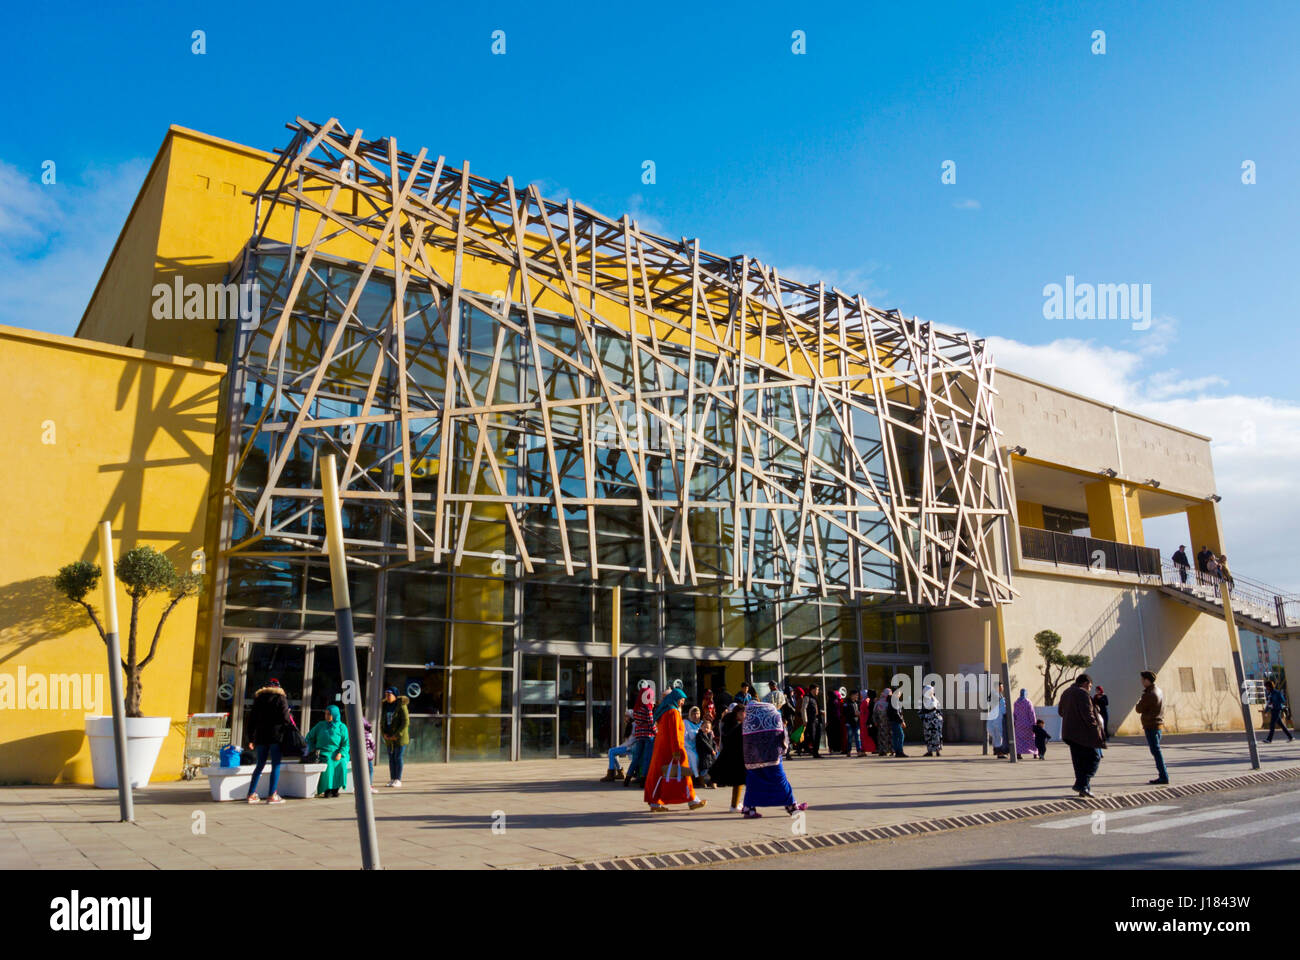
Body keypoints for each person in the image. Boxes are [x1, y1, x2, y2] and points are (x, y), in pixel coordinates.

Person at [740, 690, 808, 818]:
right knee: (780, 780)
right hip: (771, 755)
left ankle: (749, 809)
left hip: (752, 755)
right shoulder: (774, 713)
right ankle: (792, 806)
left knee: (753, 782)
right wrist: (785, 748)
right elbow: (781, 735)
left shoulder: (750, 714)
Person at [644, 688, 707, 812]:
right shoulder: (673, 712)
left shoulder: (664, 711)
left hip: (662, 749)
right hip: (672, 750)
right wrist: (677, 751)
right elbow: (675, 733)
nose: (682, 702)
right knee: (683, 774)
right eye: (681, 700)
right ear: (675, 699)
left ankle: (655, 803)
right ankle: (692, 800)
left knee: (660, 775)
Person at [246, 677, 295, 804]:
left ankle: (251, 794)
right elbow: (285, 718)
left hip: (261, 737)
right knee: (275, 765)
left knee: (260, 765)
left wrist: (251, 738)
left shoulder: (258, 699)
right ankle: (272, 795)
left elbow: (252, 720)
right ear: (278, 687)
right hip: (276, 737)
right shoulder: (280, 698)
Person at [1059, 673, 1106, 798]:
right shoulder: (1082, 693)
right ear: (1085, 684)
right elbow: (1088, 715)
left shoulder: (1066, 692)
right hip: (1084, 734)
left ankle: (1083, 789)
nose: (1090, 689)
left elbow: (1060, 711)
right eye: (1090, 686)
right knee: (1094, 758)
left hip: (1070, 733)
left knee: (1079, 763)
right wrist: (1096, 731)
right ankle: (1082, 784)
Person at [305, 704, 350, 797]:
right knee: (328, 763)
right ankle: (327, 789)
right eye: (326, 714)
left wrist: (340, 753)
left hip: (337, 753)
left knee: (341, 763)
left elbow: (346, 743)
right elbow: (309, 738)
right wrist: (313, 749)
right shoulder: (320, 725)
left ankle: (335, 789)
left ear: (335, 715)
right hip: (323, 752)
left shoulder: (342, 727)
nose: (327, 716)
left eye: (329, 714)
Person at [711, 702, 748, 811]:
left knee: (739, 782)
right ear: (737, 713)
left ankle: (735, 804)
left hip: (732, 755)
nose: (744, 715)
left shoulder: (729, 722)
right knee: (740, 781)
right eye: (743, 713)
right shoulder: (735, 724)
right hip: (736, 756)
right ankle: (736, 805)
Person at [1136, 670, 1169, 784]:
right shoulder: (1158, 691)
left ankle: (1163, 776)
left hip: (1151, 724)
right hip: (1156, 724)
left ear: (1147, 680)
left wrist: (1140, 701)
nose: (1141, 682)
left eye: (1142, 679)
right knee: (1156, 750)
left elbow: (1138, 709)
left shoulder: (1150, 694)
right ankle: (1163, 775)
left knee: (1156, 751)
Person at [624, 680, 657, 788]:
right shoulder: (648, 708)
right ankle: (643, 780)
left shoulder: (636, 708)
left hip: (639, 736)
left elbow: (637, 722)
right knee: (647, 758)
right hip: (648, 736)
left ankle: (627, 778)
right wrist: (657, 732)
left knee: (636, 758)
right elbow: (651, 723)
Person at [380, 686, 409, 788]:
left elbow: (405, 722)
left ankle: (398, 779)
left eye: (389, 694)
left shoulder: (401, 706)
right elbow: (382, 721)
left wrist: (396, 735)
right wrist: (384, 733)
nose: (387, 696)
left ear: (395, 696)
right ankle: (392, 779)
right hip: (389, 737)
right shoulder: (385, 706)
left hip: (399, 738)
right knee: (391, 758)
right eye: (386, 694)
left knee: (398, 757)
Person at [602, 709, 636, 782]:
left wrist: (620, 747)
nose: (625, 718)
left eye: (626, 716)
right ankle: (620, 771)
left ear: (630, 717)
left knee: (611, 751)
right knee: (612, 752)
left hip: (630, 748)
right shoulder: (632, 724)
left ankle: (611, 774)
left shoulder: (632, 725)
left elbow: (630, 741)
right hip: (630, 747)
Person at [1013, 688, 1037, 759]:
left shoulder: (1016, 703)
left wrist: (1014, 722)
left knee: (1019, 740)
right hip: (1028, 725)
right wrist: (1034, 723)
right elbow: (1032, 714)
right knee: (1032, 739)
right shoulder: (1028, 702)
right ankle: (1035, 753)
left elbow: (1015, 714)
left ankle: (1018, 754)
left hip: (1019, 725)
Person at [920, 682, 943, 757]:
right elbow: (920, 711)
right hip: (928, 721)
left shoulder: (934, 699)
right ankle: (930, 751)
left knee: (936, 735)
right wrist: (923, 717)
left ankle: (937, 751)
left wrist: (939, 718)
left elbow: (939, 709)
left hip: (935, 721)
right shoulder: (924, 700)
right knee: (929, 735)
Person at [695, 718, 717, 788]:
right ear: (701, 727)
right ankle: (701, 780)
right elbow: (705, 743)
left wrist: (715, 749)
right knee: (704, 769)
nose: (706, 729)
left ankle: (713, 782)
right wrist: (711, 750)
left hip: (710, 755)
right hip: (703, 754)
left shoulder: (710, 735)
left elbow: (713, 743)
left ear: (710, 729)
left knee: (712, 769)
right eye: (704, 727)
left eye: (708, 727)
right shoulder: (699, 735)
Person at [987, 681, 1007, 757]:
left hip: (998, 717)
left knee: (998, 736)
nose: (1002, 688)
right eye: (1001, 686)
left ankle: (998, 751)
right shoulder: (994, 695)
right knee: (998, 735)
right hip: (996, 717)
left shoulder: (999, 695)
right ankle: (1000, 752)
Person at [803, 683, 824, 758]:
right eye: (817, 689)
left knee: (818, 736)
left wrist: (821, 712)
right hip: (811, 720)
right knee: (813, 736)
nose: (818, 691)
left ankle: (816, 752)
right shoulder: (807, 697)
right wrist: (805, 719)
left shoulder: (815, 698)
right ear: (813, 689)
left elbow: (815, 708)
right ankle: (812, 751)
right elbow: (803, 709)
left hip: (818, 719)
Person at [886, 685, 907, 757]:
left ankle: (897, 751)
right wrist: (902, 721)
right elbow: (896, 712)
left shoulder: (891, 700)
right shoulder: (894, 700)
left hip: (893, 720)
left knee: (895, 736)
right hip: (896, 721)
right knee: (901, 735)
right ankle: (900, 751)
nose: (900, 694)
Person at [684, 706, 703, 777]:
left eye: (697, 714)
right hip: (689, 746)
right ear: (690, 715)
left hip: (701, 746)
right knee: (694, 757)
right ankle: (695, 776)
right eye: (693, 714)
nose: (695, 716)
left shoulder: (702, 723)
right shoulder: (686, 723)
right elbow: (686, 737)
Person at [843, 689, 862, 756]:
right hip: (849, 722)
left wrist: (859, 714)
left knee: (858, 737)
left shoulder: (858, 703)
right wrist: (854, 714)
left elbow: (861, 711)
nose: (857, 696)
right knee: (850, 737)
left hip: (857, 722)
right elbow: (845, 713)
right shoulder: (847, 703)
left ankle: (859, 751)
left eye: (857, 695)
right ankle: (848, 751)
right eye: (855, 695)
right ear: (851, 695)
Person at [872, 691, 892, 757]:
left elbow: (874, 714)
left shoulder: (878, 703)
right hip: (889, 723)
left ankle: (882, 751)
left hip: (880, 723)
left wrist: (875, 722)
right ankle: (891, 750)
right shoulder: (889, 702)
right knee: (890, 737)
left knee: (881, 737)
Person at [826, 688, 843, 755]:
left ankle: (832, 748)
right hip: (837, 720)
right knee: (837, 735)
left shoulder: (830, 702)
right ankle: (837, 748)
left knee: (831, 736)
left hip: (832, 721)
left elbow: (830, 713)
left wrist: (828, 721)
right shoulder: (836, 701)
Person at [363, 717, 377, 793]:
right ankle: (369, 785)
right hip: (368, 756)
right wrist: (372, 752)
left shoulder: (354, 734)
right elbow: (373, 744)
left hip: (359, 757)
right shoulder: (368, 734)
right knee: (370, 771)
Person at [860, 689, 877, 754]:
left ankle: (866, 748)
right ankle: (870, 748)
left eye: (861, 694)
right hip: (865, 719)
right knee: (867, 735)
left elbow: (867, 711)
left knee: (865, 735)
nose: (860, 696)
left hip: (865, 720)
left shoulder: (865, 701)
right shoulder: (867, 700)